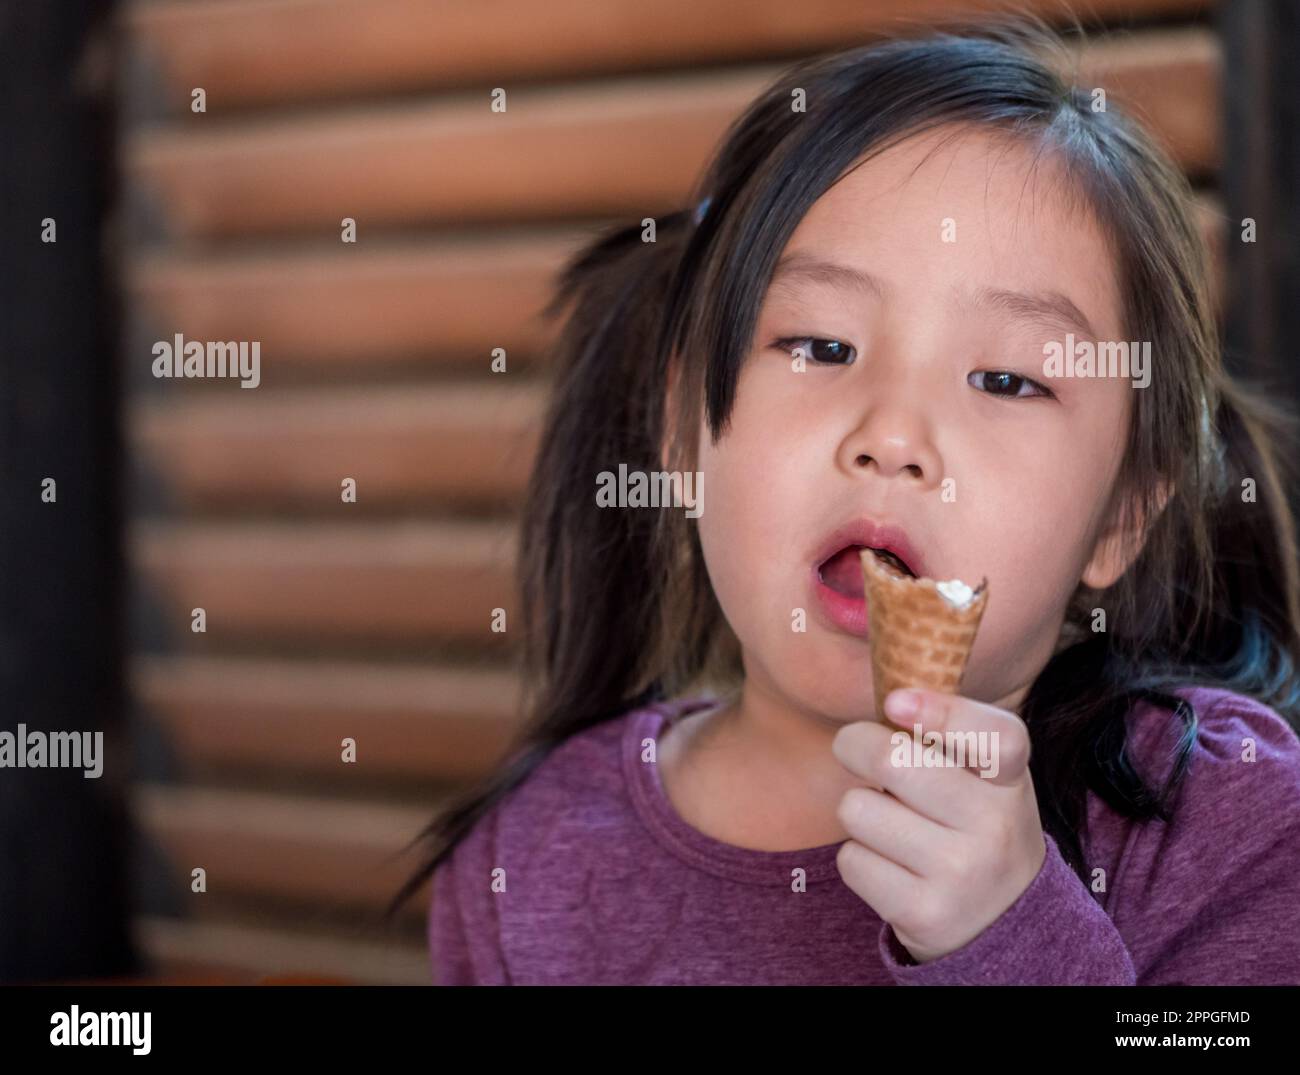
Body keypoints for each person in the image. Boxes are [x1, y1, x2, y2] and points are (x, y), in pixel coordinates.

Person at [390, 18, 1300, 985]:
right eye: (821, 347)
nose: (894, 438)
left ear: (1120, 516)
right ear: (682, 429)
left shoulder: (1223, 825)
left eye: (1004, 379)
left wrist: (1007, 938)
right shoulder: (524, 864)